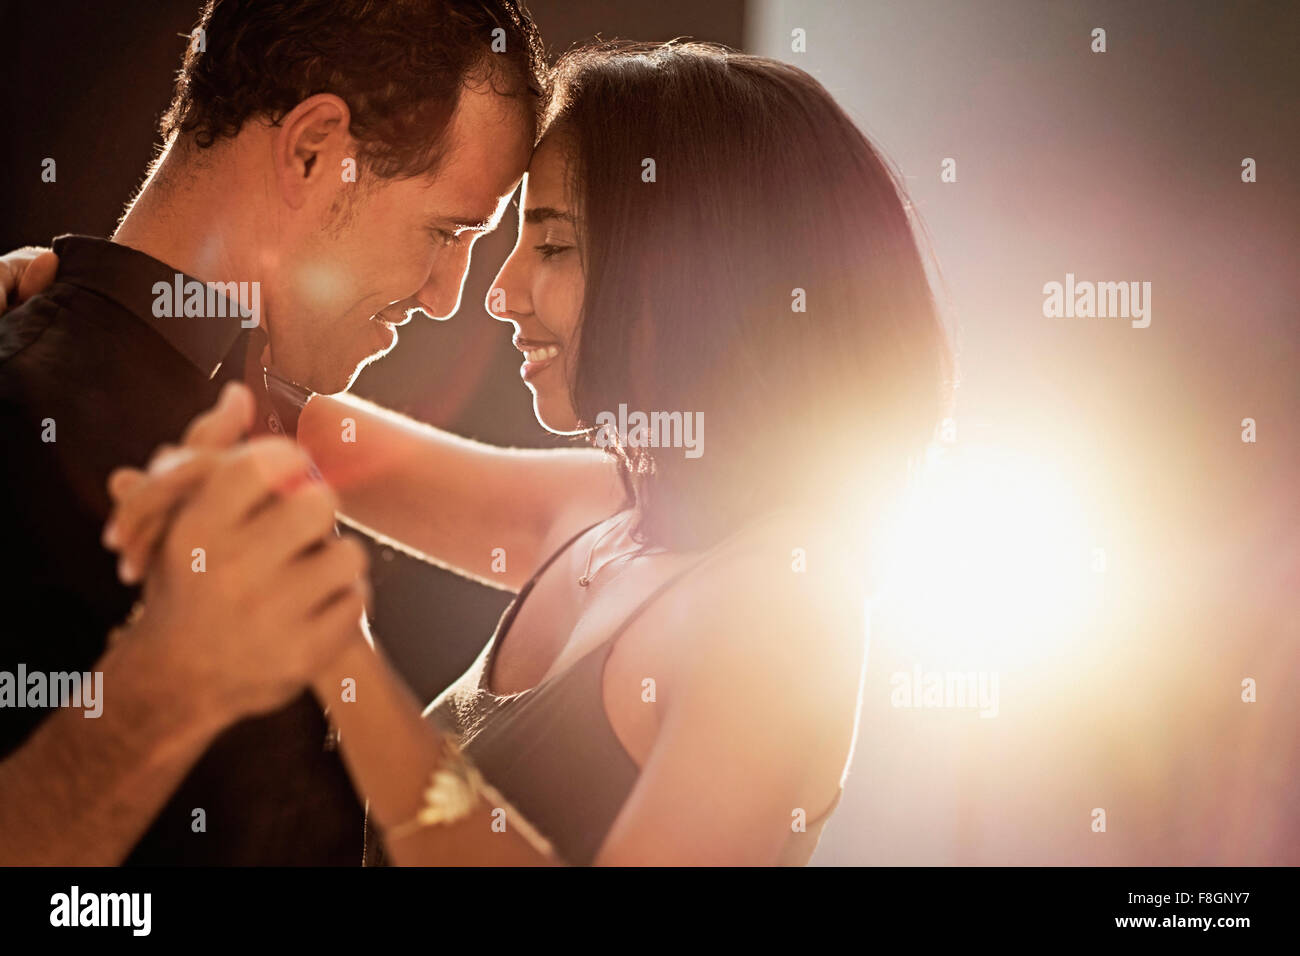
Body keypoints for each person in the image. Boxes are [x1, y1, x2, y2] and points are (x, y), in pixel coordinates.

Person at [90, 42, 954, 864]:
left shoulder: (784, 612)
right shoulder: (610, 510)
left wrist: (339, 652)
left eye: (553, 247)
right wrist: (89, 296)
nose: (498, 295)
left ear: (694, 272)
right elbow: (295, 428)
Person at [0, 0, 543, 865]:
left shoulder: (263, 413)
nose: (449, 296)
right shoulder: (24, 405)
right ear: (313, 150)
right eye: (448, 231)